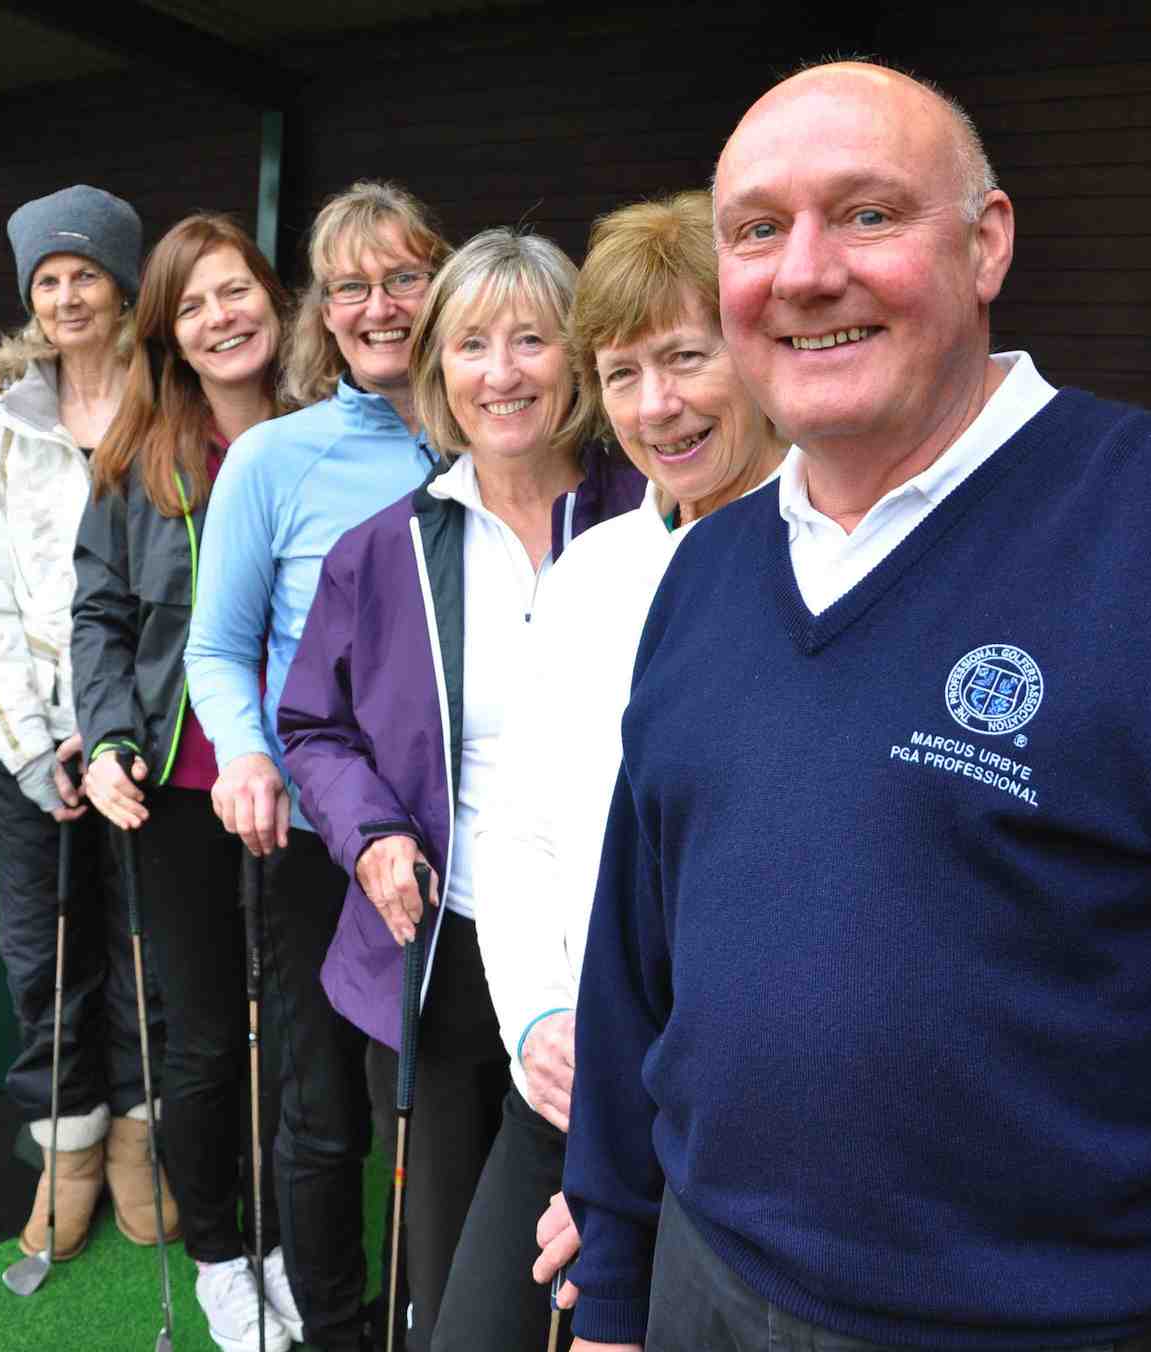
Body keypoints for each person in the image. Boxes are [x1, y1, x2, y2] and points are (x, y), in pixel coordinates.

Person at [563, 62, 1151, 1352]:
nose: (800, 272)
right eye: (755, 229)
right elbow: (633, 960)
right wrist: (618, 1282)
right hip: (703, 1286)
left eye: (865, 214)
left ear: (986, 243)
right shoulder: (708, 568)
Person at [275, 226, 644, 1352]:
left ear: (575, 359)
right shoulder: (385, 549)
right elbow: (312, 725)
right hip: (439, 944)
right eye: (472, 345)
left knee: (601, 1256)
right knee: (450, 1255)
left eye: (531, 338)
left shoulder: (653, 517)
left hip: (614, 957)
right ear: (435, 371)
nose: (502, 372)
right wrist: (371, 831)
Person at [463, 191, 786, 1349]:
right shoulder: (591, 568)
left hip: (708, 1131)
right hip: (557, 1079)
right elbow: (515, 827)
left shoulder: (819, 563)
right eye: (620, 371)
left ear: (754, 348)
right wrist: (539, 1017)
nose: (658, 406)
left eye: (686, 357)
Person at [184, 180, 450, 1352]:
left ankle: (431, 1311)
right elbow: (216, 643)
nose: (379, 305)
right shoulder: (273, 458)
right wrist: (242, 752)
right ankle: (334, 1325)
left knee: (441, 1107)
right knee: (322, 1102)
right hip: (309, 833)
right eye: (350, 285)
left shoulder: (494, 423)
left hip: (463, 836)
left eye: (402, 276)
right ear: (322, 313)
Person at [0, 184, 181, 1265]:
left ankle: (139, 1138)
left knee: (148, 944)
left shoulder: (167, 405)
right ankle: (67, 1153)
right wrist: (39, 750)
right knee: (46, 951)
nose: (67, 293)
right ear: (30, 299)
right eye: (48, 278)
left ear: (125, 286)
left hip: (150, 736)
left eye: (86, 272)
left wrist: (128, 727)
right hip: (29, 742)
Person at [72, 213, 297, 1352]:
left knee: (304, 1038)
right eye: (193, 303)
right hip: (179, 789)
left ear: (271, 295)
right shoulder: (138, 454)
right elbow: (100, 615)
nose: (221, 317)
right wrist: (109, 738)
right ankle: (224, 1252)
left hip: (312, 786)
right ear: (168, 330)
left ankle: (300, 1240)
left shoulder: (330, 433)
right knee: (205, 1037)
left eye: (236, 290)